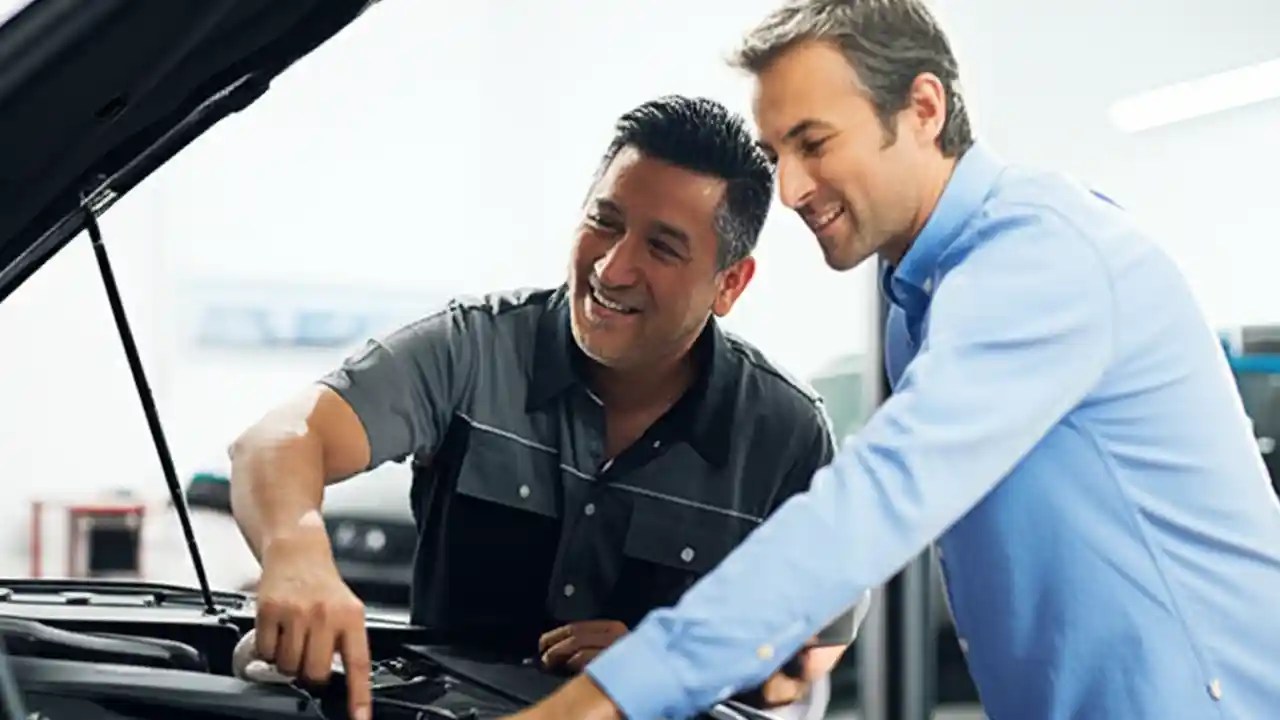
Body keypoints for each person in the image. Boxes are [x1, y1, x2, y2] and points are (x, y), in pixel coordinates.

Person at [506, 2, 1280, 719]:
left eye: (813, 143)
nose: (793, 189)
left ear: (922, 110)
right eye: (778, 153)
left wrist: (606, 698)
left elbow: (876, 503)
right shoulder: (917, 291)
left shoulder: (1037, 257)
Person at [227, 94, 867, 720]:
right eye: (605, 221)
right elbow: (280, 438)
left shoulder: (786, 435)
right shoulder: (473, 349)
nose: (613, 268)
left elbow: (815, 646)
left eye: (662, 247)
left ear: (730, 283)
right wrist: (297, 551)